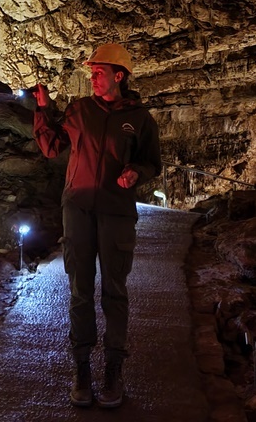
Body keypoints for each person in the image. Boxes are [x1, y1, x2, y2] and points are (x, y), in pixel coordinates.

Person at [32, 43, 161, 409]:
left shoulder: (139, 119)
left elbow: (152, 162)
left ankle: (114, 370)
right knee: (80, 291)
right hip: (78, 211)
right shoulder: (80, 110)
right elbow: (51, 146)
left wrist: (137, 172)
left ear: (118, 76)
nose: (93, 78)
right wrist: (43, 110)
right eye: (92, 72)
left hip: (116, 213)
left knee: (114, 292)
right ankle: (82, 369)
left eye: (99, 72)